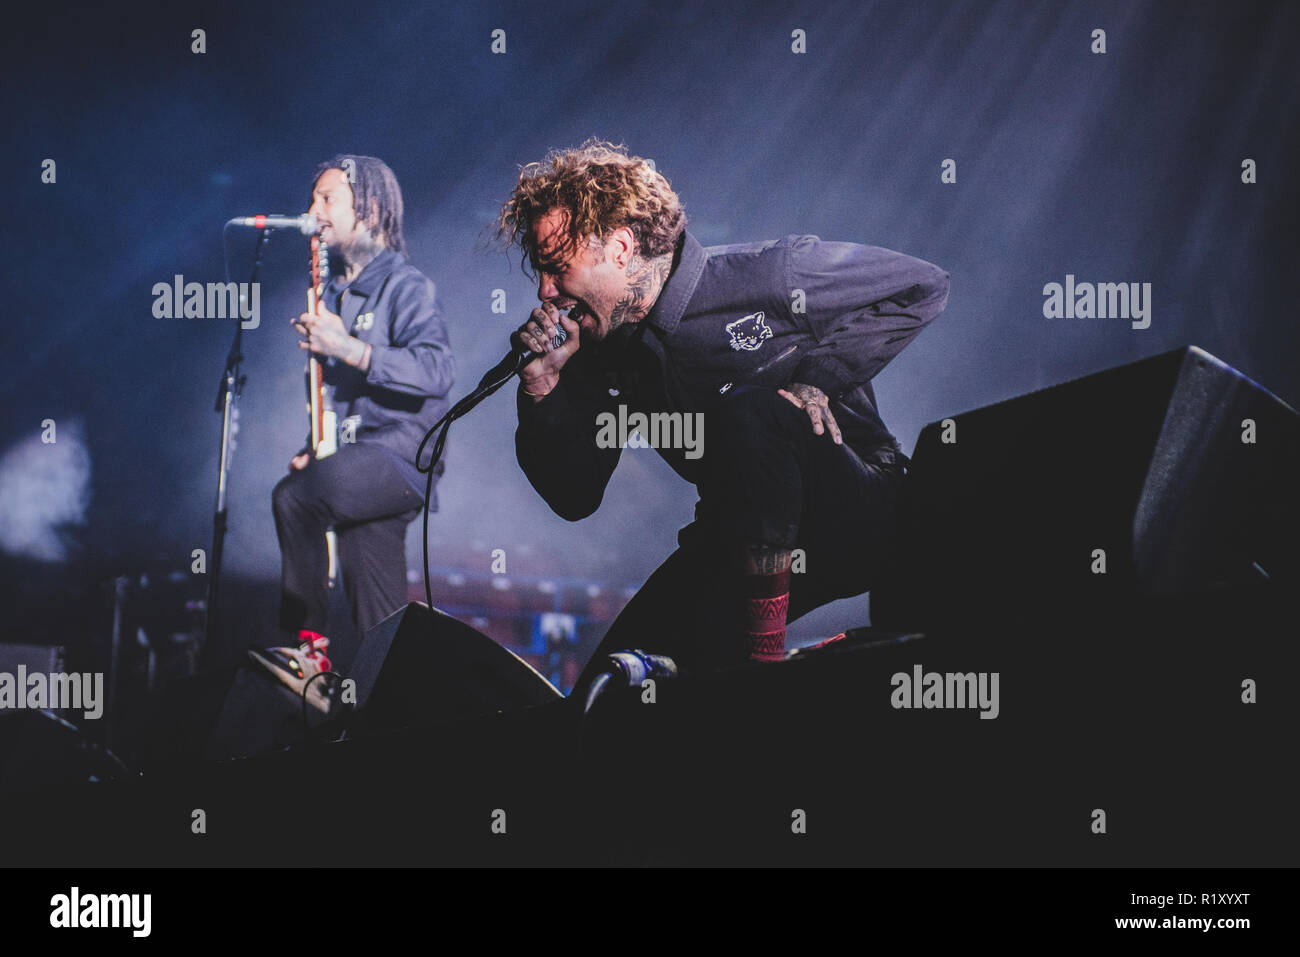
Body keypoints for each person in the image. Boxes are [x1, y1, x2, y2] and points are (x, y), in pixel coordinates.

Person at [497, 140, 949, 699]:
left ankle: (760, 666)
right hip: (740, 535)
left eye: (555, 268)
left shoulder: (771, 274)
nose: (544, 292)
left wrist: (816, 380)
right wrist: (543, 390)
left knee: (752, 411)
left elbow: (920, 286)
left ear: (618, 247)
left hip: (855, 505)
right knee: (607, 697)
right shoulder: (604, 351)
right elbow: (574, 495)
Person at [251, 154, 454, 696]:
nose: (311, 211)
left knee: (295, 498)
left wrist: (350, 349)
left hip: (402, 456)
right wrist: (314, 448)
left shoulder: (407, 286)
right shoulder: (334, 291)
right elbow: (341, 402)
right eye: (312, 198)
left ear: (367, 209)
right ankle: (398, 707)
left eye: (326, 199)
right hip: (360, 465)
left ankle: (310, 650)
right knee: (380, 619)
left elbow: (438, 371)